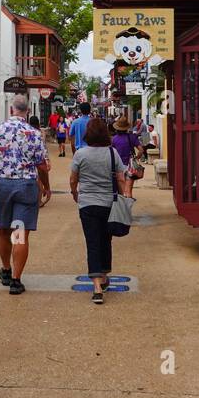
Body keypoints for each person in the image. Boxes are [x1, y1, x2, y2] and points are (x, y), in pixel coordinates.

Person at [0, 95, 50, 296]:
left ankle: (6, 270)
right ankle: (16, 281)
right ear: (28, 111)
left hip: (3, 183)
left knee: (3, 229)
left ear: (11, 110)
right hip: (26, 184)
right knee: (19, 232)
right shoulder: (34, 133)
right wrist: (46, 186)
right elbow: (42, 165)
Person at [69, 118, 127, 305]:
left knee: (92, 242)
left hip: (87, 203)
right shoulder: (112, 153)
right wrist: (125, 196)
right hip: (108, 203)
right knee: (105, 239)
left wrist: (74, 193)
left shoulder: (80, 153)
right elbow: (120, 179)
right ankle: (103, 275)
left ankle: (96, 287)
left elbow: (73, 179)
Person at [110, 115, 143, 197]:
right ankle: (128, 207)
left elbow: (111, 152)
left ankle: (122, 207)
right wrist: (136, 158)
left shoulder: (114, 139)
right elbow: (141, 150)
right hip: (130, 166)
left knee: (120, 190)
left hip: (118, 167)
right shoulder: (132, 137)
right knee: (128, 190)